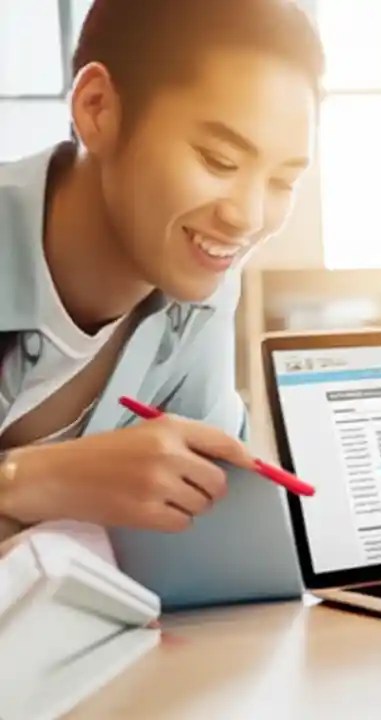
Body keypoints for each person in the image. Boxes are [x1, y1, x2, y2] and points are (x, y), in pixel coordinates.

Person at [0, 0, 324, 541]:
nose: (245, 217)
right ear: (98, 107)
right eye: (219, 161)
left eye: (281, 182)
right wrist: (30, 480)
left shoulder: (200, 286)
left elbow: (208, 529)